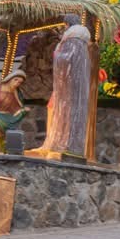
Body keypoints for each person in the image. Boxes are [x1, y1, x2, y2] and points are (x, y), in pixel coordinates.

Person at [34, 16, 93, 158]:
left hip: (70, 83)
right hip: (76, 83)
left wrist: (57, 54)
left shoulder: (73, 39)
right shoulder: (81, 41)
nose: (64, 27)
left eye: (65, 24)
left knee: (69, 112)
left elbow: (66, 59)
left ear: (69, 24)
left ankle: (68, 144)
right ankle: (70, 144)